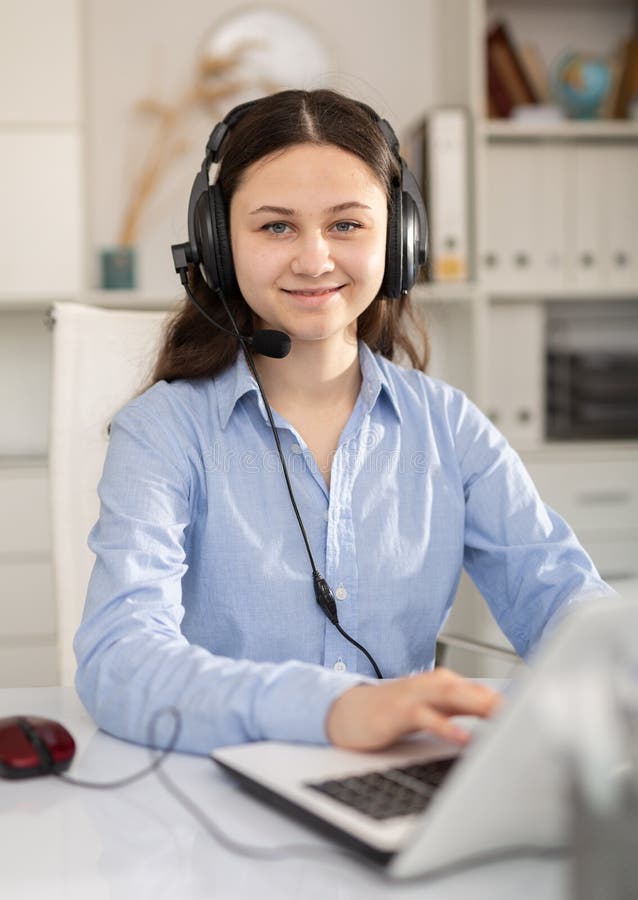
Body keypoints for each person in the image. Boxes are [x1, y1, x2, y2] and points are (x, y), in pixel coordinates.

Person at [74, 89, 612, 755]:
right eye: (276, 227)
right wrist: (331, 710)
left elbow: (563, 597)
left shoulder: (449, 428)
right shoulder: (163, 432)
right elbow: (119, 659)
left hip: (397, 782)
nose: (314, 259)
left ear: (400, 239)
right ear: (216, 243)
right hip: (213, 787)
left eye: (347, 225)